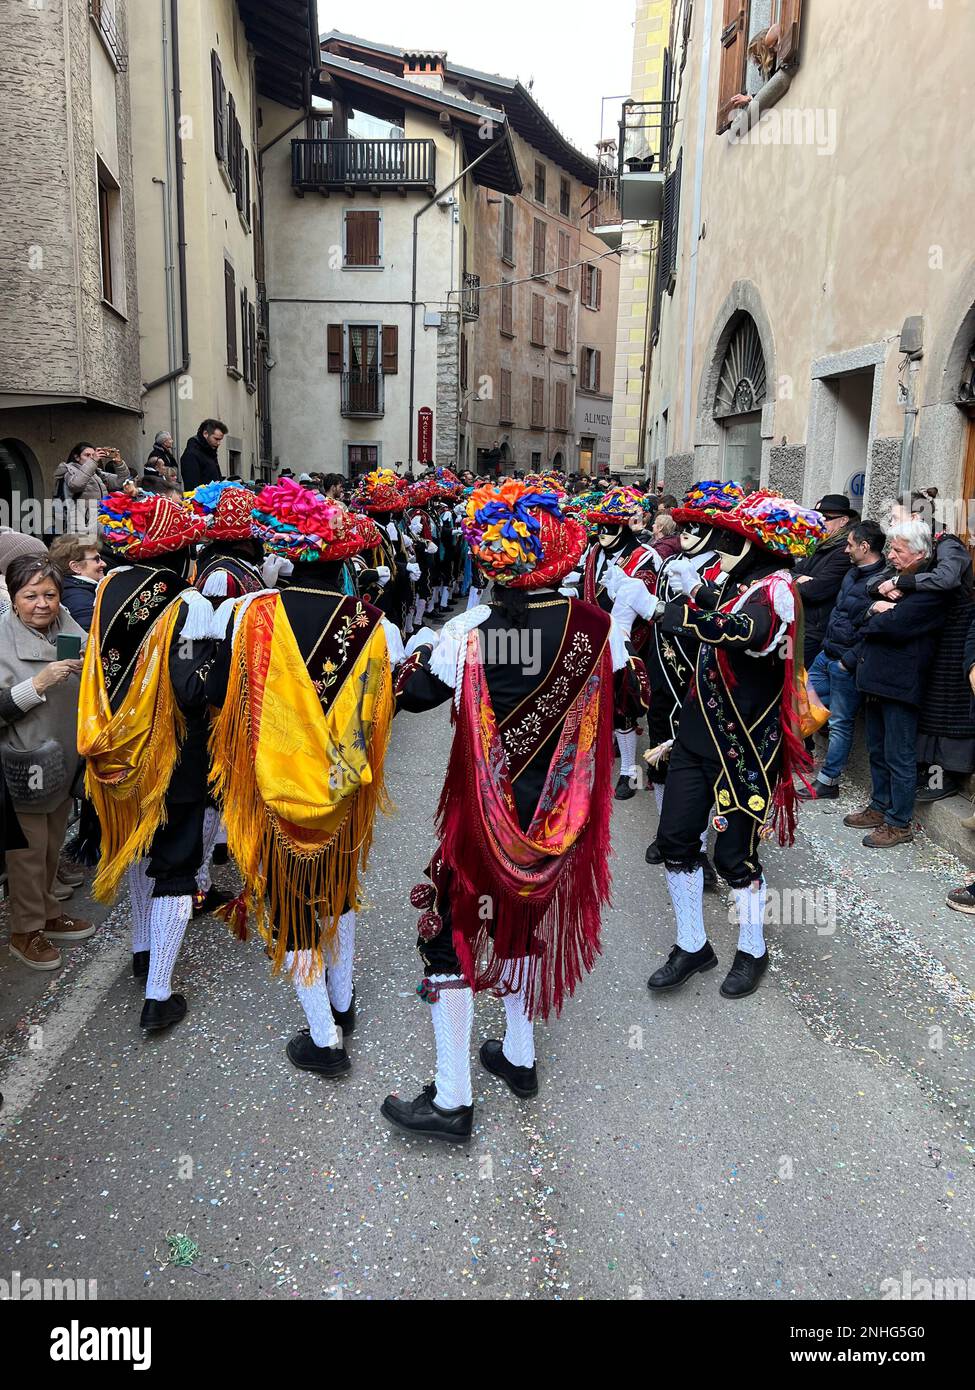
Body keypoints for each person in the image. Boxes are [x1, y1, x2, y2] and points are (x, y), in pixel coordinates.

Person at [382, 481, 624, 1141]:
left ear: (493, 559)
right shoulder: (593, 625)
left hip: (484, 824)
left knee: (445, 937)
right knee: (518, 927)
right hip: (558, 817)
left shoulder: (468, 630)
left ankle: (453, 1100)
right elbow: (623, 701)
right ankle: (517, 1057)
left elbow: (417, 700)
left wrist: (415, 660)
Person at [205, 479, 394, 1077]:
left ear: (284, 555)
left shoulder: (253, 614)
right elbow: (379, 712)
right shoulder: (370, 623)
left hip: (274, 788)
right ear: (346, 558)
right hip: (340, 790)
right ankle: (343, 1000)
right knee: (338, 892)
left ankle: (323, 1036)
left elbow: (225, 697)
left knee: (288, 904)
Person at [647, 491, 827, 999]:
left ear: (759, 545)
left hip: (745, 749)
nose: (719, 548)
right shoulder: (737, 581)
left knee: (734, 856)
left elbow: (753, 634)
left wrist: (688, 616)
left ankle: (752, 949)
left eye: (731, 540)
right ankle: (692, 944)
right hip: (696, 739)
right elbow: (715, 611)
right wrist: (690, 600)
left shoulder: (779, 589)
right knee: (677, 841)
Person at [79, 491, 218, 1030]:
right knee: (175, 863)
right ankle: (159, 992)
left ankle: (141, 949)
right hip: (173, 753)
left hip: (114, 747)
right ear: (179, 552)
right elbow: (191, 688)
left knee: (137, 846)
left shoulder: (107, 588)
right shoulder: (189, 604)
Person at [610, 480, 745, 882]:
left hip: (700, 671)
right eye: (683, 528)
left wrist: (658, 606)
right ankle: (670, 830)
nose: (686, 536)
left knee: (700, 758)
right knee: (662, 750)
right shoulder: (669, 563)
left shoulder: (722, 569)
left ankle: (699, 844)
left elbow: (723, 621)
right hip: (662, 664)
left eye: (695, 529)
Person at [0, 555, 94, 971]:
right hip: (23, 764)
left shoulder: (67, 625)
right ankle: (25, 931)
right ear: (13, 597)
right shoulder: (2, 640)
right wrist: (36, 684)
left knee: (52, 845)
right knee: (27, 854)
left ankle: (49, 912)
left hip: (63, 760)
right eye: (30, 595)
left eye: (50, 594)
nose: (42, 604)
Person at [843, 520, 947, 848]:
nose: (891, 554)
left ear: (919, 553)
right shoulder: (893, 579)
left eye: (898, 550)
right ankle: (880, 806)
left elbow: (896, 626)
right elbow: (856, 609)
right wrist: (874, 607)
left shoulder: (929, 589)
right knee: (876, 749)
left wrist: (874, 618)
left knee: (899, 754)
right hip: (876, 679)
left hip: (901, 683)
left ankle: (899, 823)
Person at [798, 519, 886, 801]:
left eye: (850, 545)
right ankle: (796, 754)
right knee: (800, 701)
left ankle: (828, 781)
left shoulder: (881, 581)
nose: (845, 550)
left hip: (845, 662)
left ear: (865, 546)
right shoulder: (851, 572)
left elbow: (870, 629)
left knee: (839, 723)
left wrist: (848, 660)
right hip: (827, 653)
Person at [579, 487, 644, 796]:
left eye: (611, 527)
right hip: (594, 638)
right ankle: (598, 755)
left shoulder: (643, 556)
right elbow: (585, 587)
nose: (604, 534)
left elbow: (646, 605)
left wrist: (626, 594)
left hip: (626, 644)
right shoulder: (592, 552)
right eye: (600, 527)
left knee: (623, 708)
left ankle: (630, 770)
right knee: (592, 701)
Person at [793, 494, 860, 667]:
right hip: (801, 624)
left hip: (815, 631)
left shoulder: (843, 552)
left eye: (827, 518)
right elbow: (788, 573)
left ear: (844, 520)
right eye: (819, 517)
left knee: (803, 684)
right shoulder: (820, 544)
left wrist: (799, 580)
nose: (821, 522)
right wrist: (800, 578)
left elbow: (815, 590)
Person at [48, 534, 106, 631]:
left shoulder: (71, 589)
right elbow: (90, 639)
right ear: (76, 567)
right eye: (96, 559)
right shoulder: (79, 599)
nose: (104, 564)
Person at [52, 443, 134, 504]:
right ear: (77, 457)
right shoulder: (69, 470)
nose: (91, 457)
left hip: (98, 518)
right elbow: (76, 485)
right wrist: (93, 461)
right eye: (87, 455)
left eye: (93, 455)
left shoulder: (96, 473)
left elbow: (122, 482)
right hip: (79, 521)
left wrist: (119, 463)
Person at [179, 419, 227, 491]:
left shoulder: (210, 451)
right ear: (205, 434)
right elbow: (192, 488)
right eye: (216, 439)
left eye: (220, 440)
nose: (219, 443)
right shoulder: (191, 454)